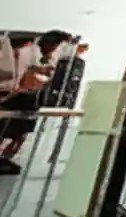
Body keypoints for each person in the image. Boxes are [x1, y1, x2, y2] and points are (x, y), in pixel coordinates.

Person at [0, 30, 73, 174]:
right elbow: (17, 78)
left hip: (29, 98)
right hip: (16, 97)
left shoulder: (50, 56)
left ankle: (6, 156)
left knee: (21, 131)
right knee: (11, 128)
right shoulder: (26, 53)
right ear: (52, 44)